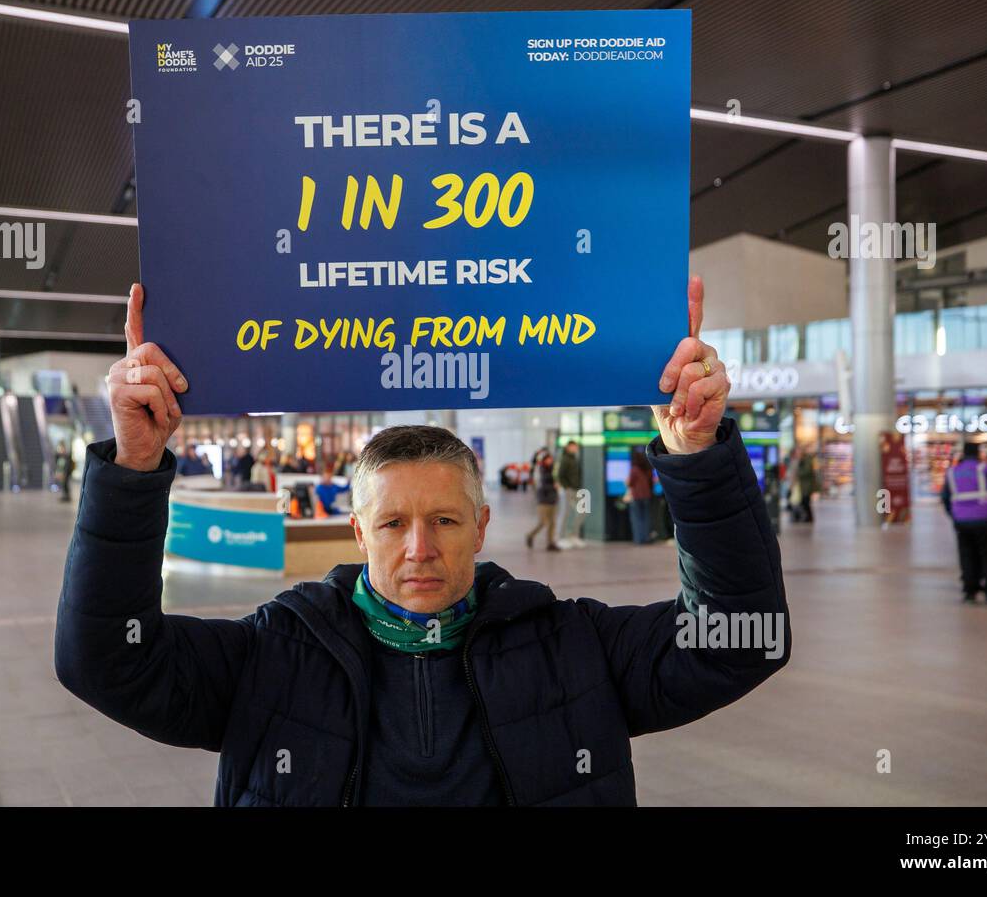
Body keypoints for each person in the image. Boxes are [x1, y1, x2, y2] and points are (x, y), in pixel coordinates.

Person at [55, 277, 790, 806]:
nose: (419, 549)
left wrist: (697, 459)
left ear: (480, 527)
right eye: (393, 524)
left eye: (443, 521)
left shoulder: (573, 649)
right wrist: (134, 468)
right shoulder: (274, 657)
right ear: (357, 531)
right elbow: (106, 661)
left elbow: (739, 640)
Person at [941, 441, 987, 605]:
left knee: (967, 555)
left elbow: (945, 498)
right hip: (985, 520)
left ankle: (970, 593)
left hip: (962, 521)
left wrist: (954, 515)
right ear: (978, 454)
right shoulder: (985, 469)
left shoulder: (952, 472)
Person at [524, 449, 560, 551]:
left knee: (552, 523)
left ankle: (550, 543)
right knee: (543, 522)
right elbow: (540, 487)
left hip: (553, 499)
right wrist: (553, 486)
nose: (550, 461)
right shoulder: (540, 471)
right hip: (543, 501)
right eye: (548, 459)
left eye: (551, 459)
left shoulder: (554, 471)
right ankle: (530, 536)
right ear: (544, 460)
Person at [554, 439, 586, 548]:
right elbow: (560, 475)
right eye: (574, 446)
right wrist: (566, 487)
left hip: (577, 489)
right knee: (565, 513)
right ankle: (560, 537)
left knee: (583, 511)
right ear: (569, 447)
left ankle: (574, 535)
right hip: (568, 489)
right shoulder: (565, 459)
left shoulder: (574, 458)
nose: (576, 448)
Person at [626, 448, 654, 544]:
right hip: (646, 495)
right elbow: (651, 482)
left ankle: (638, 539)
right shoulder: (648, 468)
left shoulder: (634, 469)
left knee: (636, 518)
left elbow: (630, 483)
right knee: (646, 518)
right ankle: (646, 538)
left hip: (636, 496)